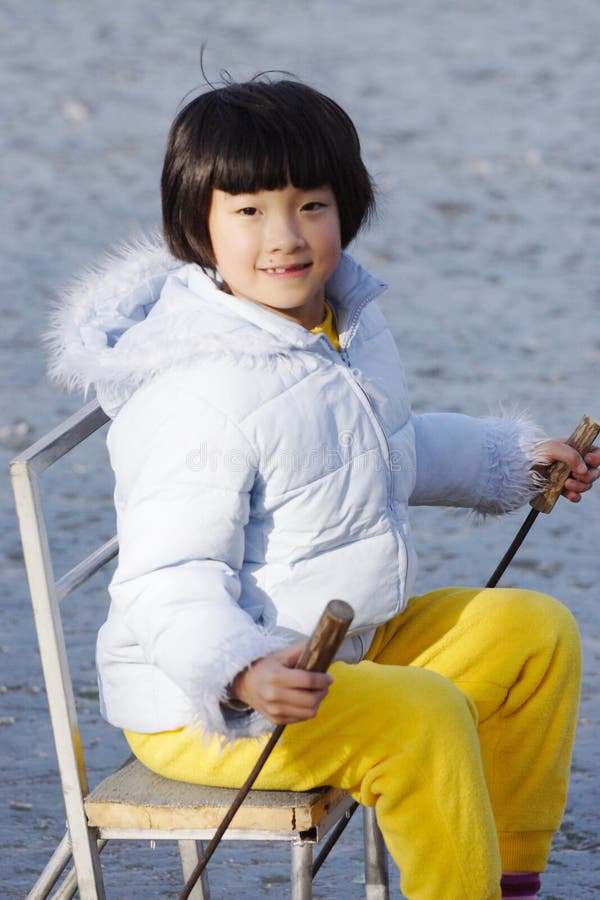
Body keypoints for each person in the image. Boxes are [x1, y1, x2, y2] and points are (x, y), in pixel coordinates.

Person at [49, 77, 599, 900]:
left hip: (343, 650)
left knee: (534, 631)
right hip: (212, 704)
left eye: (311, 205)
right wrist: (240, 669)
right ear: (197, 227)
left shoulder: (338, 327)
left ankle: (509, 884)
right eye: (248, 211)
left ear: (349, 208)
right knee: (423, 716)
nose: (286, 237)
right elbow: (167, 579)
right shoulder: (196, 390)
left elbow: (388, 448)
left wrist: (514, 462)